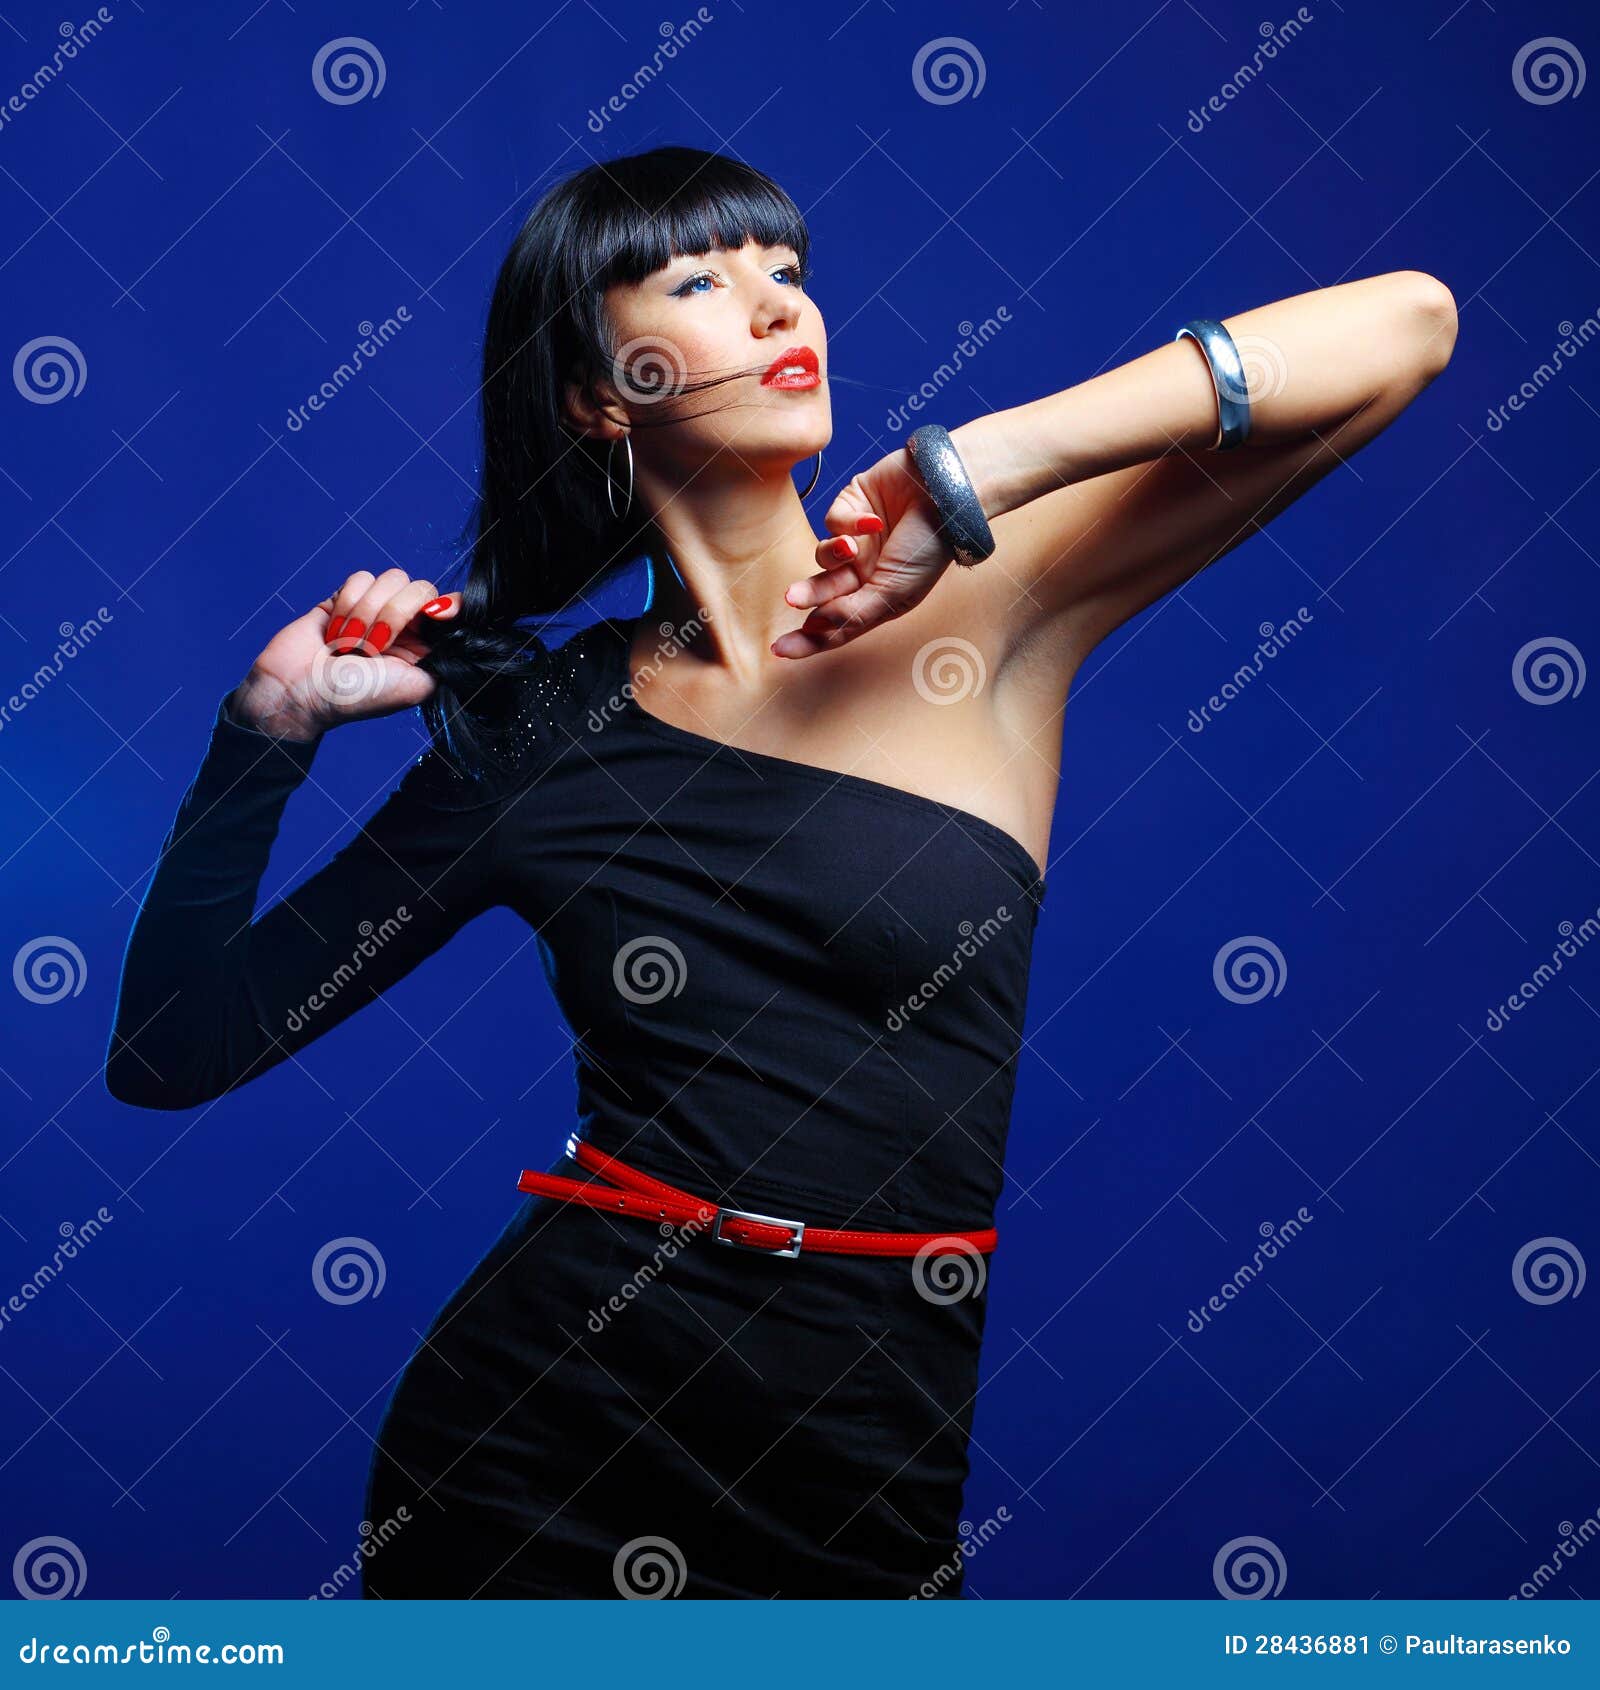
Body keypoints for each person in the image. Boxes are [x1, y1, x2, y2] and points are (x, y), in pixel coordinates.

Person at [104, 144, 1457, 1597]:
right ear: (597, 392)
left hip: (870, 1444)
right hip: (537, 1447)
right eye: (699, 281)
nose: (777, 308)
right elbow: (179, 1047)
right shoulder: (542, 732)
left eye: (789, 272)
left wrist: (985, 463)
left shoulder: (987, 606)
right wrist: (268, 731)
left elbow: (1407, 326)